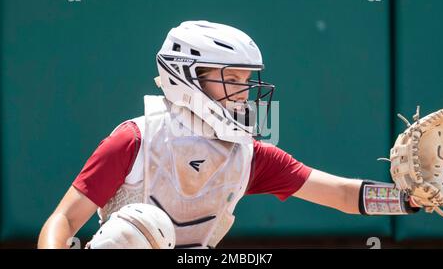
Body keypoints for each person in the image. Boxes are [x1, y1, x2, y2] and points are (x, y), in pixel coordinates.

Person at [37, 20, 421, 249]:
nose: (244, 91)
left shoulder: (248, 155)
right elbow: (64, 222)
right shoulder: (134, 139)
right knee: (139, 224)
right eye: (231, 78)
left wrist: (408, 200)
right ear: (187, 76)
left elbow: (340, 194)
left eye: (246, 80)